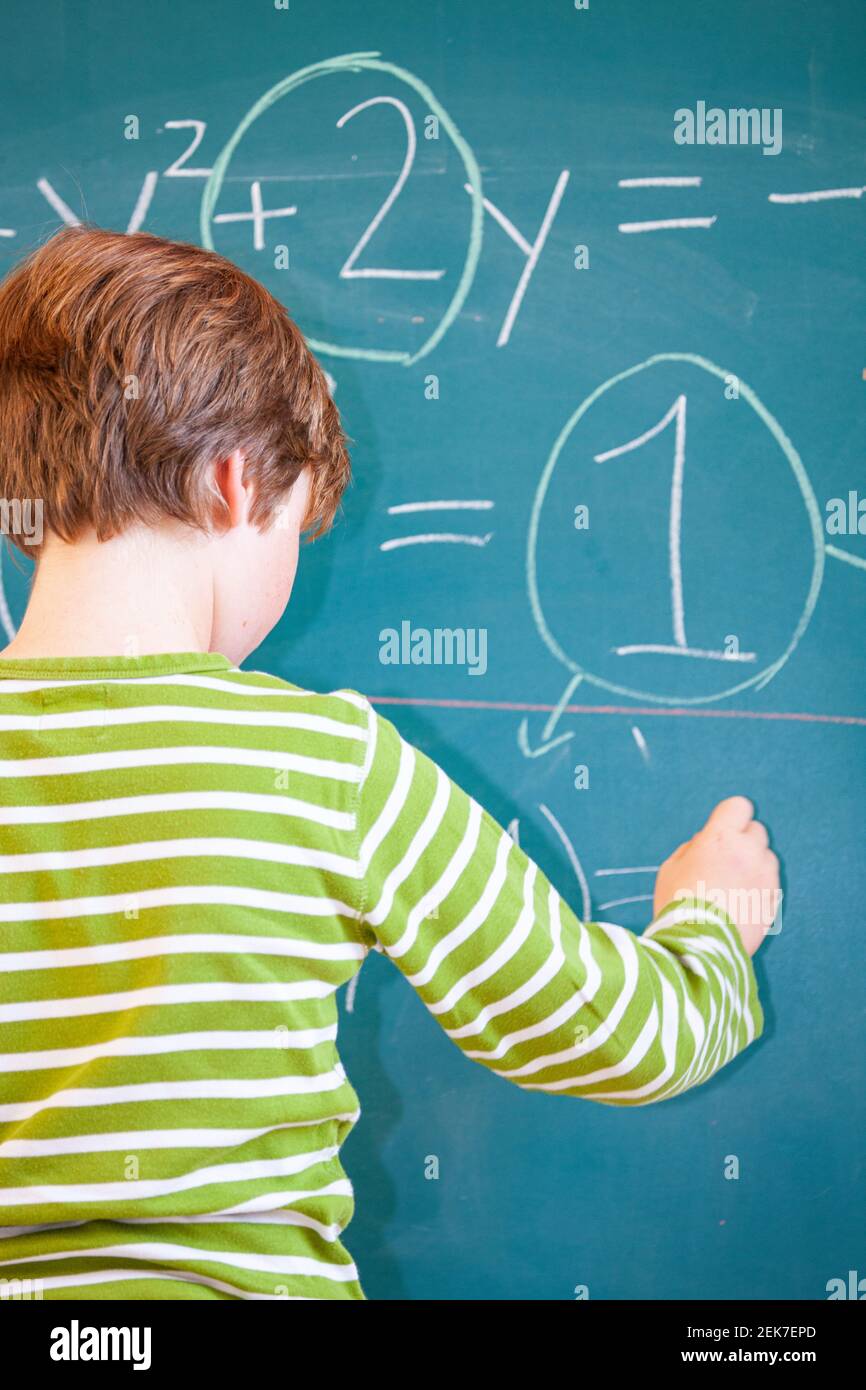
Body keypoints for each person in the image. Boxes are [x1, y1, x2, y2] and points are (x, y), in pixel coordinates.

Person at [0, 227, 777, 1300]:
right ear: (233, 483)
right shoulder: (327, 766)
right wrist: (708, 925)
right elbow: (606, 1031)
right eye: (293, 529)